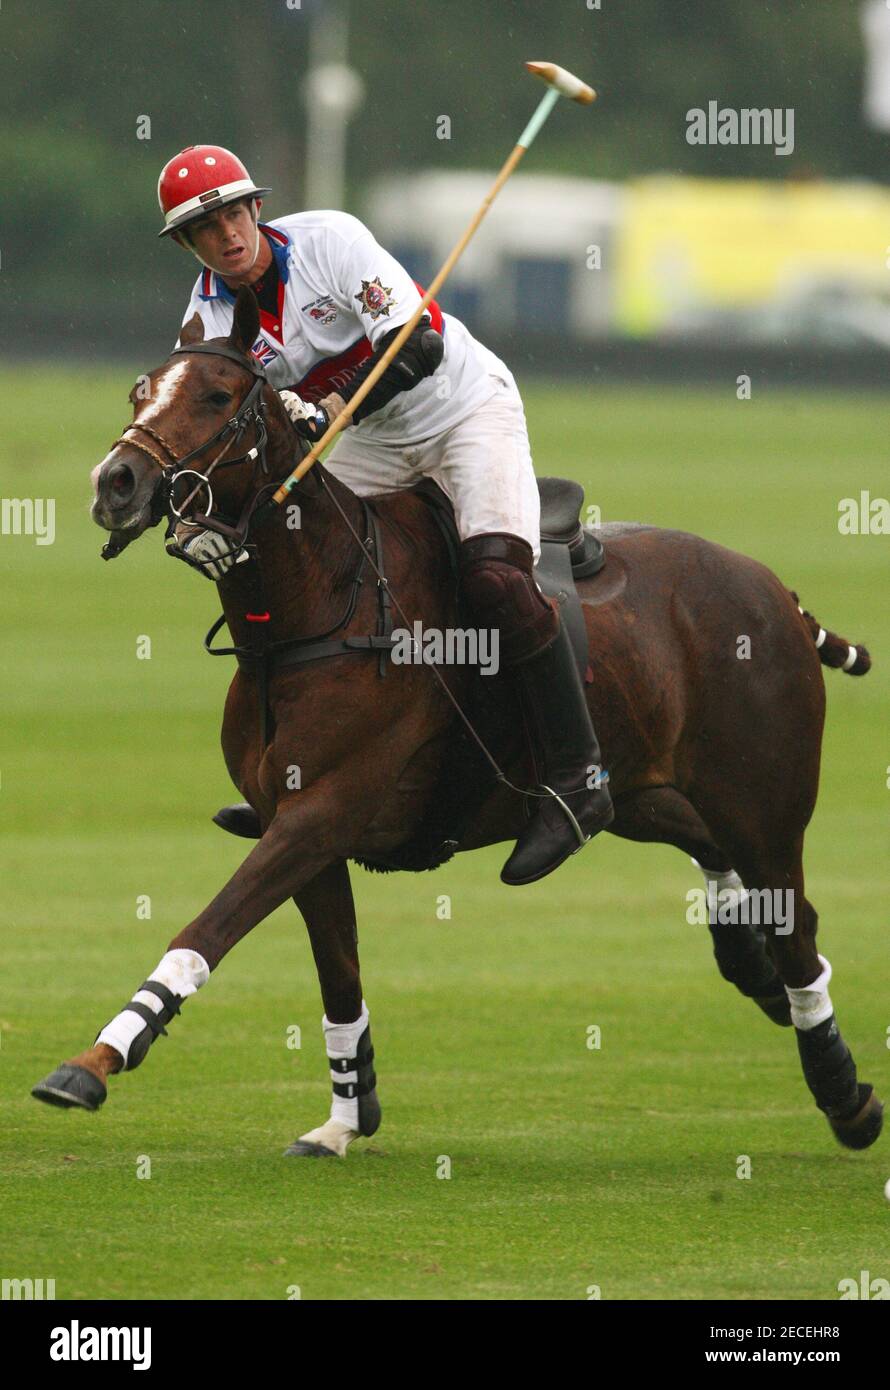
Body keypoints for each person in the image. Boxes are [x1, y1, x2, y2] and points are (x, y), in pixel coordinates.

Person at [157, 143, 613, 884]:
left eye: (235, 212)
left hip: (461, 412)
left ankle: (578, 780)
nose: (228, 234)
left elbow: (419, 347)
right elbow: (219, 428)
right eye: (206, 228)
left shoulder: (329, 243)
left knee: (496, 580)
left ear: (256, 208)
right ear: (188, 244)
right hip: (369, 445)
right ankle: (293, 780)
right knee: (292, 567)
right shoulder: (206, 321)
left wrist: (331, 405)